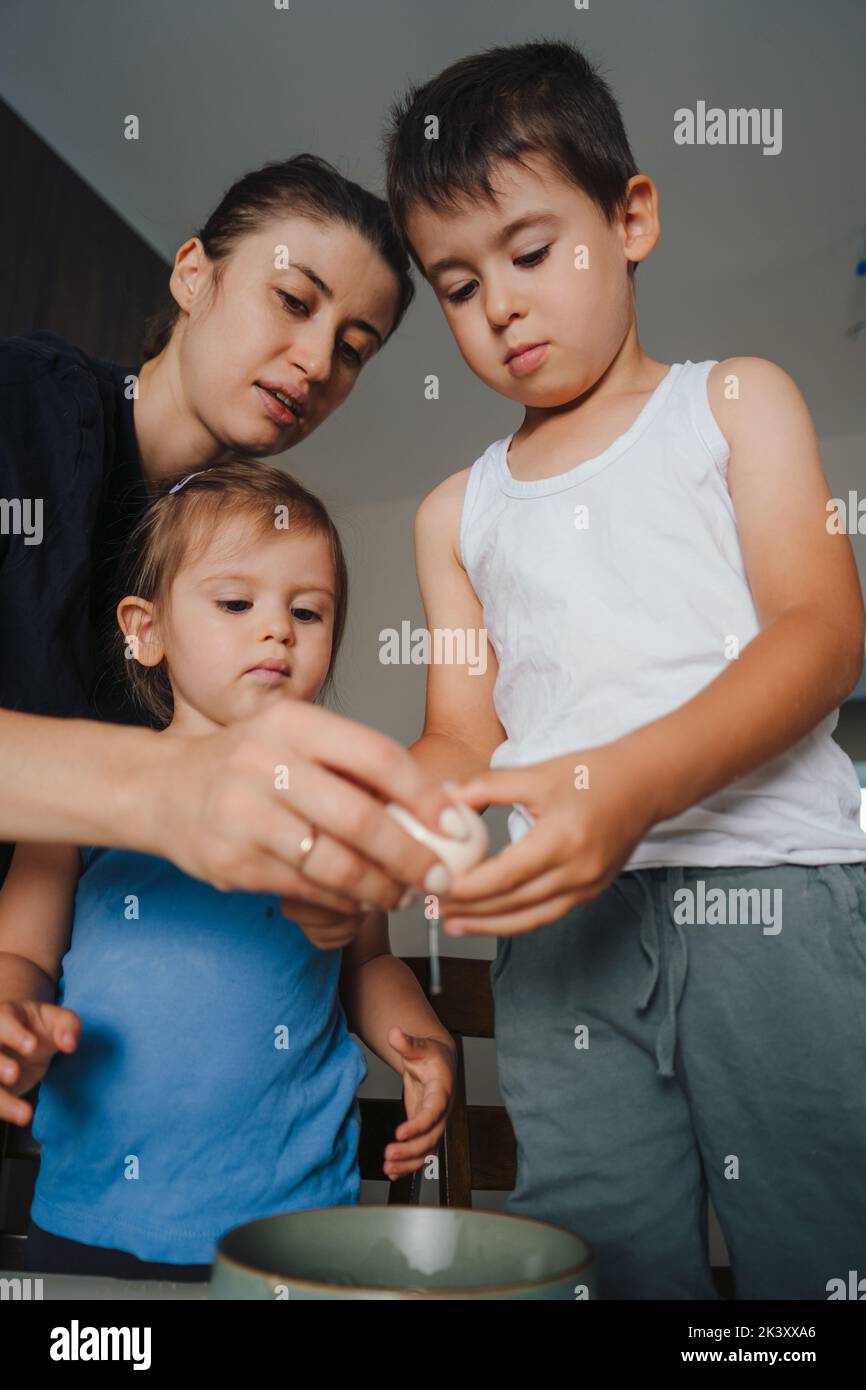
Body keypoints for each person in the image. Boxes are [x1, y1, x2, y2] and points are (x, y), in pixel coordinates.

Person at [381, 39, 866, 1299]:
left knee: (820, 1245)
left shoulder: (736, 403)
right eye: (456, 282)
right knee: (601, 1255)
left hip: (770, 891)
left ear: (631, 215)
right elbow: (458, 735)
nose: (499, 304)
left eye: (531, 253)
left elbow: (819, 636)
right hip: (560, 933)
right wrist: (392, 824)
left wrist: (624, 783)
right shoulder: (452, 514)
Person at [0, 458, 457, 1279]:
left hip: (294, 1230)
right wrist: (12, 1016)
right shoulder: (81, 793)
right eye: (237, 603)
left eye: (308, 612)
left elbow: (369, 963)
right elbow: (21, 955)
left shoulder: (337, 808)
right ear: (146, 630)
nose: (277, 630)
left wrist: (419, 1042)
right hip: (96, 1219)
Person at [0, 153, 461, 920]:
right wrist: (157, 784)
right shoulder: (22, 408)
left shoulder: (228, 563)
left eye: (353, 349)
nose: (316, 362)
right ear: (192, 275)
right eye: (291, 299)